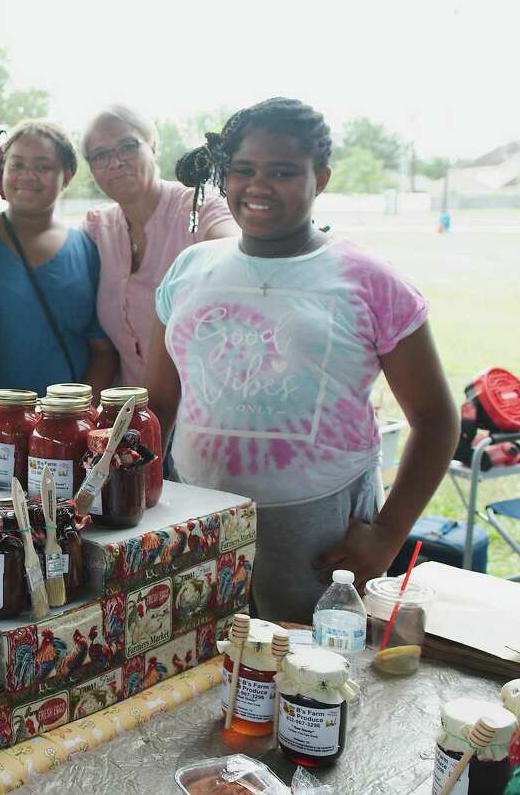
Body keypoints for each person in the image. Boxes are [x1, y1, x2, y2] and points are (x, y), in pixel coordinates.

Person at [147, 97, 459, 623]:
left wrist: (385, 536)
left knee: (306, 684)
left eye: (284, 172)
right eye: (242, 171)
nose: (258, 186)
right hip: (198, 518)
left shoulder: (369, 280)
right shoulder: (190, 269)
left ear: (323, 177)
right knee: (199, 673)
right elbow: (159, 402)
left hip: (318, 532)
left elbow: (436, 418)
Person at [81, 105, 238, 387]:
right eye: (100, 155)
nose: (115, 162)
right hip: (131, 418)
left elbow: (238, 255)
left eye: (128, 146)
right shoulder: (97, 229)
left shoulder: (199, 209)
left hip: (201, 411)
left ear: (153, 146)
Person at [0, 121, 117, 394]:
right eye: (17, 165)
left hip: (63, 425)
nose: (28, 176)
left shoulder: (86, 249)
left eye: (43, 167)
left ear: (66, 176)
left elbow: (103, 350)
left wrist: (78, 415)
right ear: (2, 170)